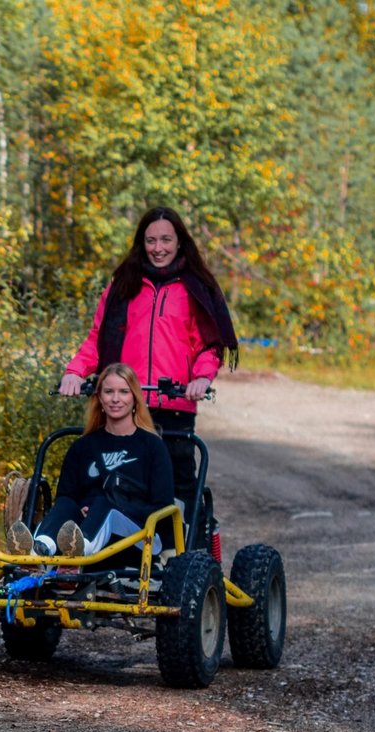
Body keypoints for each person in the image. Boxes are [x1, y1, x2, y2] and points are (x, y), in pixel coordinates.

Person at [58, 206, 238, 516]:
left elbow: (208, 346)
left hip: (174, 405)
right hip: (125, 402)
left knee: (175, 481)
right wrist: (74, 372)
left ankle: (182, 553)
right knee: (112, 476)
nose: (158, 248)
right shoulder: (123, 286)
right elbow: (97, 339)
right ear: (141, 243)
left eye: (166, 240)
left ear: (179, 242)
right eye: (151, 240)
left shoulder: (194, 288)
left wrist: (201, 379)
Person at [11, 363, 174, 558]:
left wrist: (106, 508)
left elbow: (163, 505)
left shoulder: (152, 446)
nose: (115, 399)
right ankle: (38, 549)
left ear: (135, 398)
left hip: (140, 534)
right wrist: (84, 510)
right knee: (65, 506)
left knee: (105, 506)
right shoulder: (83, 446)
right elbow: (66, 497)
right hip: (85, 524)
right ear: (99, 398)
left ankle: (81, 549)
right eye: (108, 392)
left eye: (123, 392)